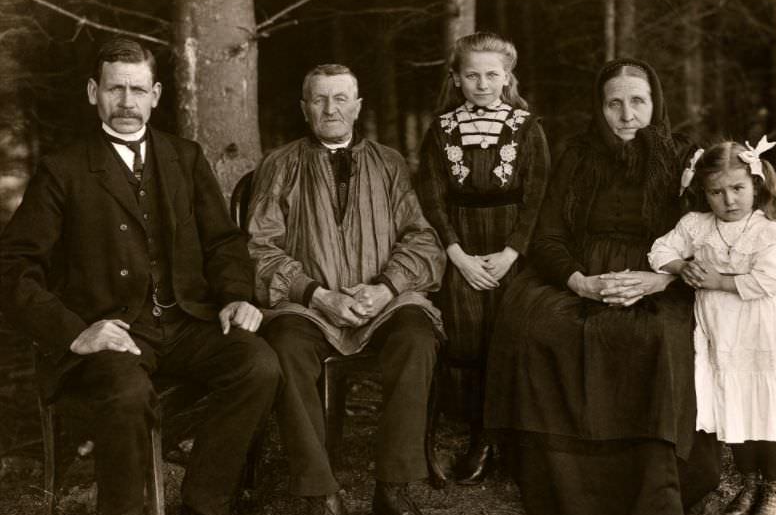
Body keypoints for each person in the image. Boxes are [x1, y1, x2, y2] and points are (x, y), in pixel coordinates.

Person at [0, 37, 281, 515]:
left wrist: (235, 295)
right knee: (128, 394)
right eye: (115, 90)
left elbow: (222, 242)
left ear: (156, 95)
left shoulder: (185, 158)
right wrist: (75, 332)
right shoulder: (63, 169)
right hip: (112, 331)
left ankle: (203, 503)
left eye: (137, 90)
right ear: (94, 92)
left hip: (187, 321)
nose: (126, 103)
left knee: (258, 365)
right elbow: (12, 267)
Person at [484, 57, 721, 515]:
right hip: (582, 272)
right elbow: (548, 234)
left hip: (660, 277)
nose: (627, 115)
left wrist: (658, 280)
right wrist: (580, 282)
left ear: (655, 102)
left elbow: (708, 234)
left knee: (656, 337)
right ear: (601, 107)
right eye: (615, 104)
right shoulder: (576, 154)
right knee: (542, 329)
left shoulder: (685, 155)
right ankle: (563, 486)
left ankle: (655, 487)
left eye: (637, 102)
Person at [247, 64, 445, 515]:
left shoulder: (390, 162)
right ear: (304, 108)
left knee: (417, 335)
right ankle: (318, 490)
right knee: (284, 345)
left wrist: (386, 287)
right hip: (310, 305)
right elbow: (260, 248)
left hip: (383, 302)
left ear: (357, 107)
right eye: (319, 99)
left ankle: (393, 486)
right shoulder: (281, 164)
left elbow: (421, 237)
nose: (330, 108)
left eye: (340, 99)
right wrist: (318, 295)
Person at [415, 31, 550, 484]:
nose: (483, 83)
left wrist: (512, 252)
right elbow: (431, 196)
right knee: (468, 338)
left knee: (514, 336)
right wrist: (458, 255)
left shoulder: (527, 127)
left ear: (507, 76)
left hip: (512, 249)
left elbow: (537, 197)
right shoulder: (441, 129)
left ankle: (512, 436)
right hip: (462, 249)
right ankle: (479, 434)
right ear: (456, 78)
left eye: (492, 74)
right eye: (471, 74)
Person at [649, 137, 776, 515]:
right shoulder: (696, 226)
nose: (729, 200)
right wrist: (682, 267)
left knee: (764, 407)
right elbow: (659, 251)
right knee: (733, 403)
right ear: (704, 192)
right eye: (717, 192)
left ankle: (774, 490)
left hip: (760, 331)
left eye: (737, 189)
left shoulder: (769, 231)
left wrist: (717, 280)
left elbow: (770, 281)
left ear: (756, 185)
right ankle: (748, 484)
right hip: (720, 332)